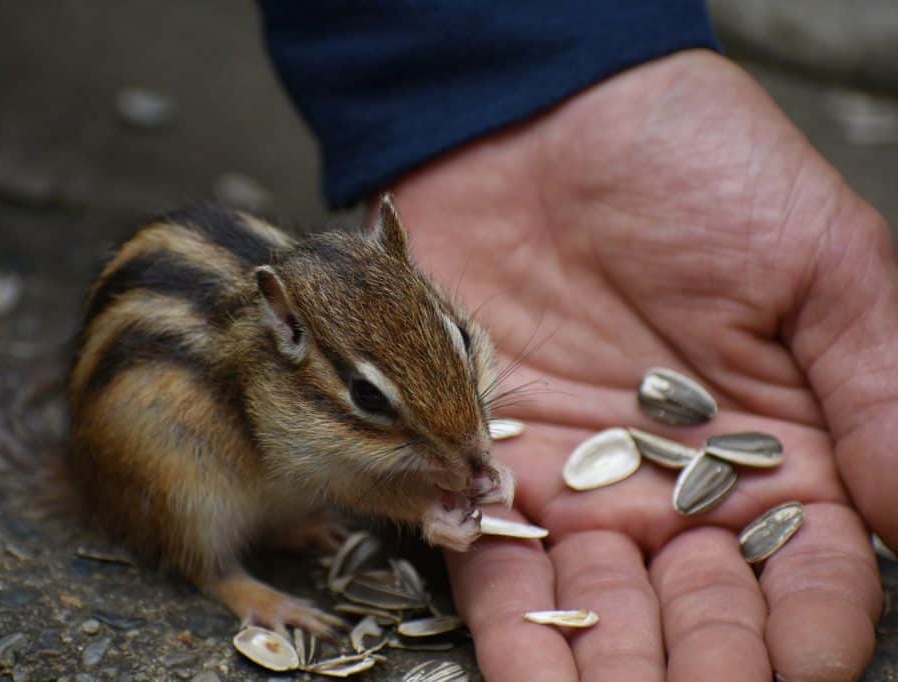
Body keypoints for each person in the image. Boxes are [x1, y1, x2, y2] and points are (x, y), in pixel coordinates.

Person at [261, 3, 892, 680]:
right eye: (372, 401)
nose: (482, 444)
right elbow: (310, 462)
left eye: (463, 347)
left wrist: (564, 66)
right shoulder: (278, 394)